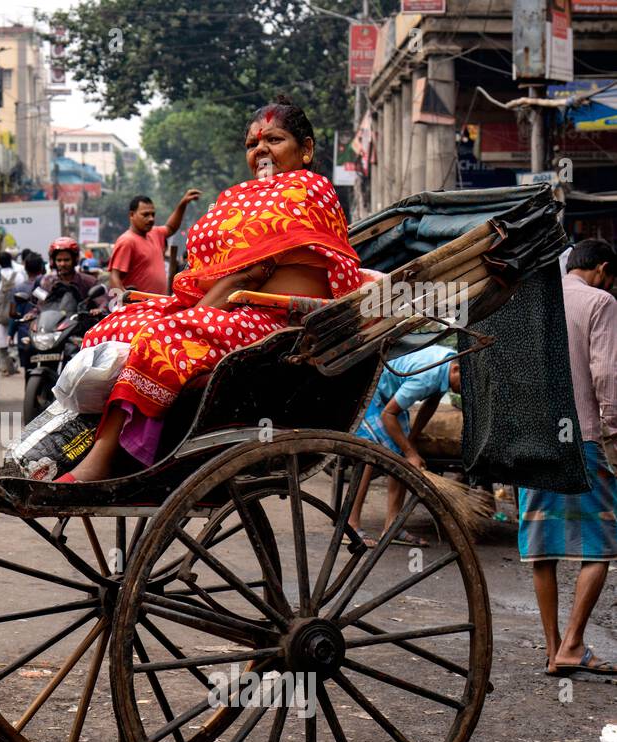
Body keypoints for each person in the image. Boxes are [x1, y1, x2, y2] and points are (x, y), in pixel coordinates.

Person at [67, 97, 362, 483]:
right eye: (252, 144)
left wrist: (198, 309)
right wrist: (198, 305)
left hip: (276, 324)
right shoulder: (240, 196)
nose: (261, 150)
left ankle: (102, 459)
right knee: (115, 325)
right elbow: (224, 273)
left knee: (162, 336)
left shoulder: (308, 190)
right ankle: (84, 444)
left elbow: (249, 274)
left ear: (306, 149)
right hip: (230, 308)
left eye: (274, 139)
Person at [519, 239, 617, 677]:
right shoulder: (601, 302)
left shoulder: (536, 301)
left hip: (535, 441)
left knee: (542, 548)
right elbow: (606, 374)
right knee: (602, 544)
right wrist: (613, 434)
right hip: (584, 438)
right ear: (602, 268)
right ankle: (574, 643)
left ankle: (553, 647)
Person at [347, 346, 462, 547]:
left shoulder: (448, 362)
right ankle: (350, 526)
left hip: (389, 401)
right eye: (465, 385)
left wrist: (410, 442)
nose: (464, 391)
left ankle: (393, 526)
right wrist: (410, 452)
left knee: (399, 453)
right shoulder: (428, 375)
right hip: (371, 395)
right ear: (456, 370)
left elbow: (430, 404)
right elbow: (388, 415)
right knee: (370, 455)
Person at [107, 190, 202, 295]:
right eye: (145, 215)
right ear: (132, 215)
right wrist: (124, 301)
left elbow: (171, 227)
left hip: (157, 306)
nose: (151, 219)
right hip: (139, 308)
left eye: (153, 214)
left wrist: (183, 204)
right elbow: (114, 276)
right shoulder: (127, 241)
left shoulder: (155, 233)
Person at [0, 250, 20, 374]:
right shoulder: (18, 275)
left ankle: (3, 365)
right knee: (13, 339)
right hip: (14, 312)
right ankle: (14, 363)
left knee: (1, 340)